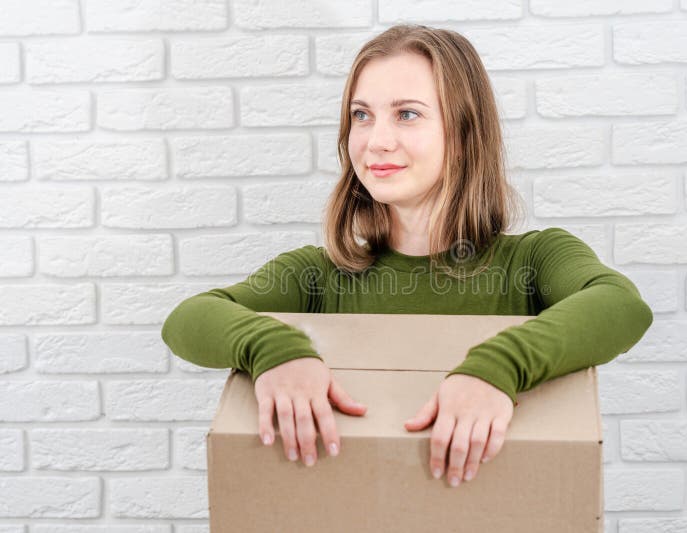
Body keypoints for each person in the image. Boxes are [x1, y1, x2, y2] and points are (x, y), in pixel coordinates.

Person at [161, 24, 653, 489]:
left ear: (463, 132)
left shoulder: (533, 261)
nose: (377, 140)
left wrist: (496, 368)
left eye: (407, 113)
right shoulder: (319, 273)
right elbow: (189, 318)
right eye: (362, 115)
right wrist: (274, 349)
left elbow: (620, 305)